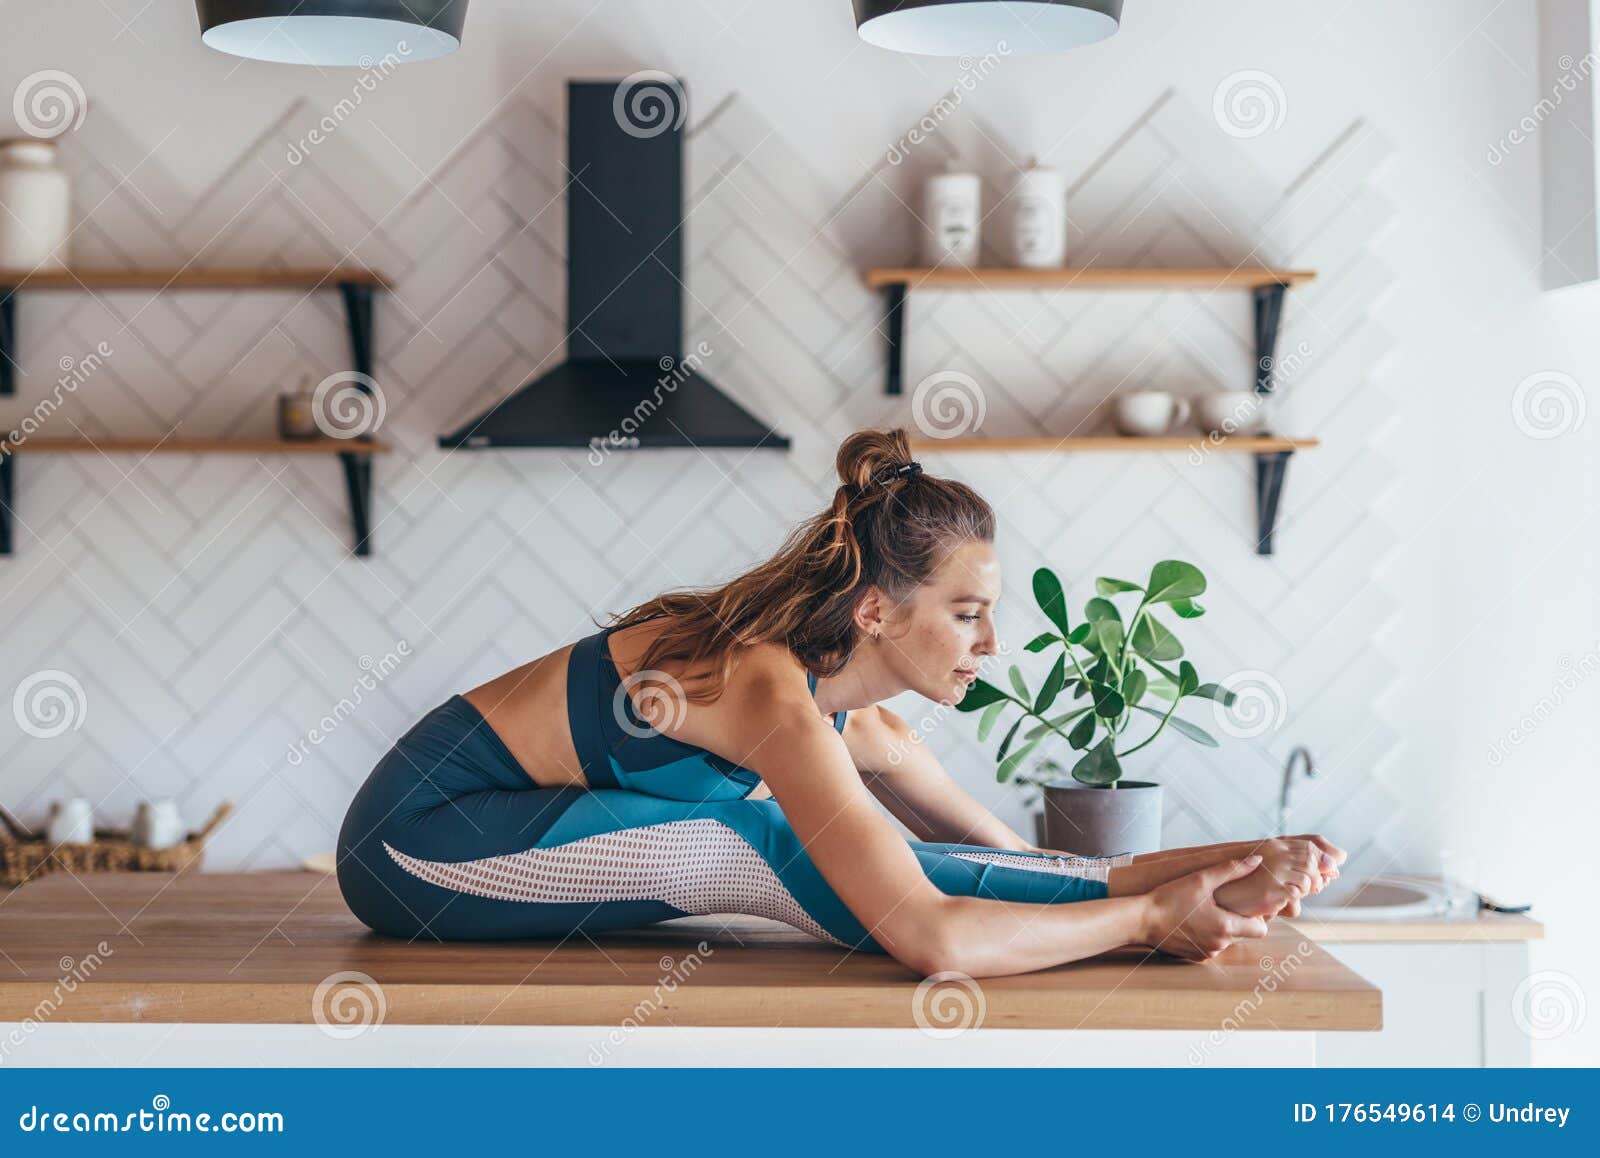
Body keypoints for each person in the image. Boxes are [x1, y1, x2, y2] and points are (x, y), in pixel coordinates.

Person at [337, 428, 1343, 979]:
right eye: (965, 613)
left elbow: (1007, 863)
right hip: (415, 843)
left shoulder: (863, 724)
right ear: (875, 611)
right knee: (747, 841)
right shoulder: (768, 691)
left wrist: (1212, 863)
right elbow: (932, 938)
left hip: (496, 833)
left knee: (776, 834)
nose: (991, 645)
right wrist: (1142, 922)